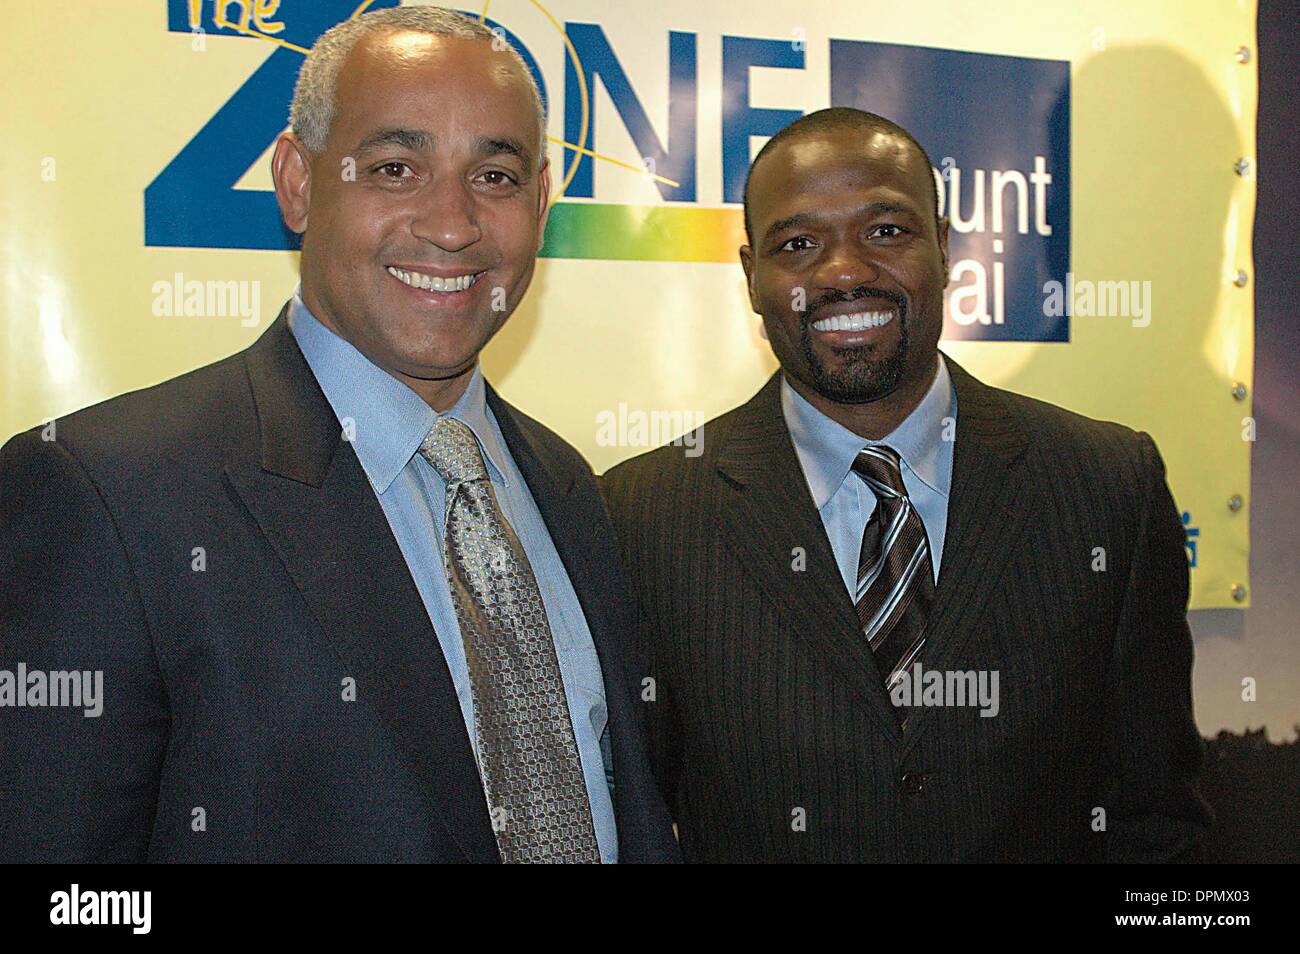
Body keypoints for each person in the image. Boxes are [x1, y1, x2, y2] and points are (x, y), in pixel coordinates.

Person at [0, 6, 677, 864]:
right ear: (294, 180)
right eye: (396, 167)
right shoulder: (102, 493)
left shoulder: (568, 485)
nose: (452, 224)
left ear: (542, 202)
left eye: (496, 178)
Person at [601, 107, 1211, 862]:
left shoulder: (1107, 485)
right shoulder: (640, 515)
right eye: (798, 244)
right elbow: (630, 822)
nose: (845, 271)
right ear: (752, 277)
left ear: (946, 249)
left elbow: (1157, 825)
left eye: (886, 231)